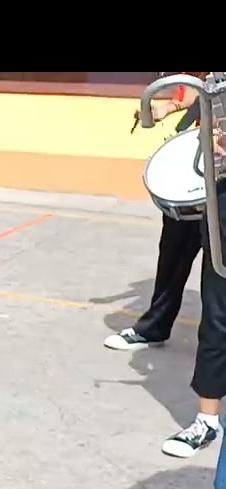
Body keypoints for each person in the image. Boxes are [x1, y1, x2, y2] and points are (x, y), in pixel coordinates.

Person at [105, 74, 223, 458]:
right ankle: (207, 419)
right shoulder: (212, 82)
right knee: (216, 309)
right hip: (213, 178)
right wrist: (172, 106)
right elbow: (207, 97)